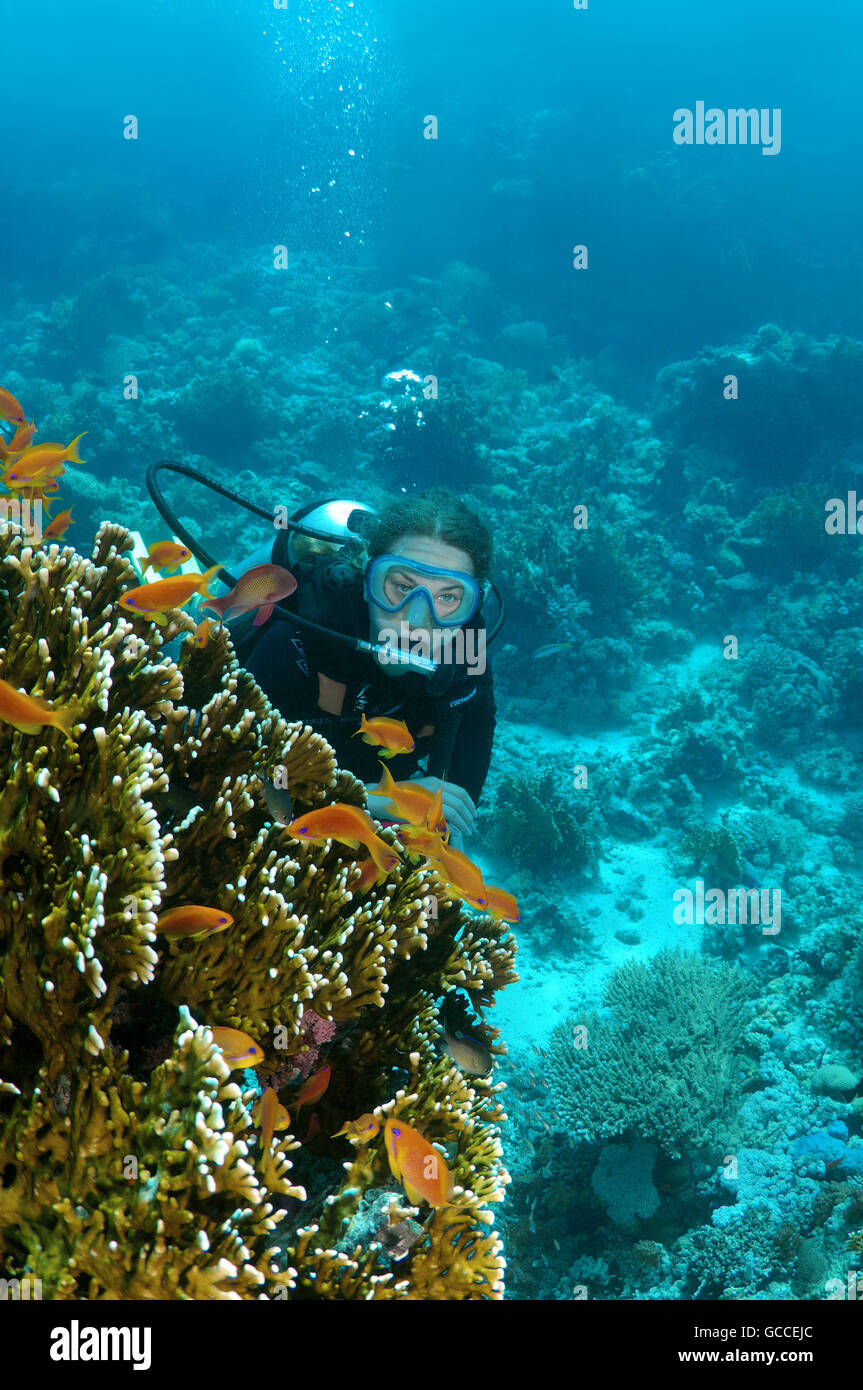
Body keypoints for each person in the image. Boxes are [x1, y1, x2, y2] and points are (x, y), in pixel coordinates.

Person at [232, 488, 497, 848]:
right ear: (368, 579)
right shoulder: (310, 629)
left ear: (471, 608)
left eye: (448, 597)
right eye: (401, 586)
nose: (416, 621)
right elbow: (237, 772)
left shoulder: (467, 657)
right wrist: (373, 799)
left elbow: (456, 800)